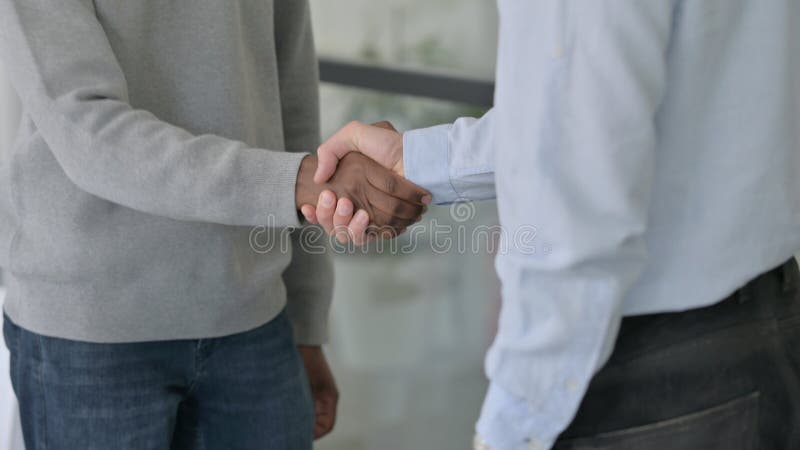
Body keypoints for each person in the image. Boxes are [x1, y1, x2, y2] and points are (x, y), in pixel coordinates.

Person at [303, 1, 800, 449]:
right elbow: (598, 118)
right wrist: (418, 161)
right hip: (764, 324)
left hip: (645, 368)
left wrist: (511, 428)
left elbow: (575, 216)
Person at [0, 1, 428, 449]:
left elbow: (291, 99)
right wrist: (298, 182)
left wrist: (306, 320)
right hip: (92, 329)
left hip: (253, 318)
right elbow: (86, 130)